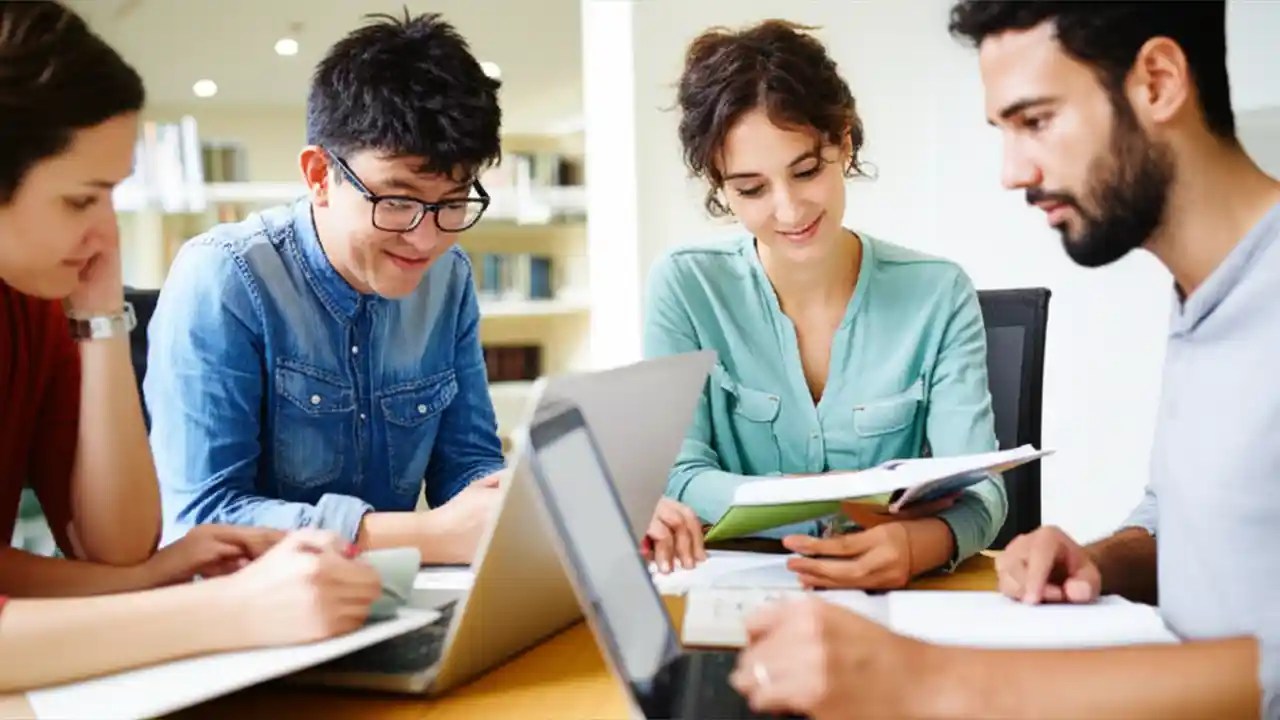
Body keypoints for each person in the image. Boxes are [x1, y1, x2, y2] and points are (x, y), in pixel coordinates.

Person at [730, 2, 1280, 718]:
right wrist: (1099, 560)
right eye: (1004, 131)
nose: (1013, 172)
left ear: (1158, 81)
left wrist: (931, 682)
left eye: (1037, 121)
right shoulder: (1207, 295)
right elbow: (1186, 526)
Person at [145, 11, 705, 571]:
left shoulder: (448, 276)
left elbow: (467, 467)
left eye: (453, 202)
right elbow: (199, 518)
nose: (426, 239)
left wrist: (579, 505)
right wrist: (427, 535)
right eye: (397, 201)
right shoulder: (223, 277)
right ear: (319, 176)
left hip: (393, 597)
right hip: (254, 610)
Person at [0, 0, 380, 691]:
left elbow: (113, 548)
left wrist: (100, 318)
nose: (106, 234)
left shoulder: (33, 300)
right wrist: (229, 611)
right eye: (82, 200)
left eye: (112, 197)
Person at [644, 19, 1007, 589]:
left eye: (807, 171)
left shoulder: (938, 293)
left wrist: (916, 544)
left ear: (844, 142)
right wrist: (823, 502)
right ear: (719, 185)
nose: (789, 210)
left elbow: (983, 490)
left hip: (896, 594)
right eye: (751, 188)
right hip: (738, 592)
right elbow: (676, 477)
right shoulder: (686, 287)